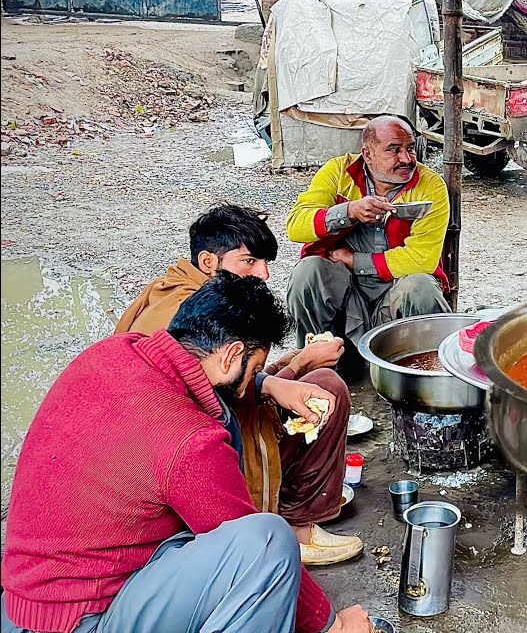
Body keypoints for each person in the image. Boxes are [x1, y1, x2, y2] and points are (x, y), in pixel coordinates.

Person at [1, 274, 372, 633]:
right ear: (231, 355)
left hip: (23, 602)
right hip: (80, 618)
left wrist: (267, 382)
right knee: (268, 540)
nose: (248, 385)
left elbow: (210, 385)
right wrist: (331, 623)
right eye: (254, 367)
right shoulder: (188, 438)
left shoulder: (114, 352)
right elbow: (249, 544)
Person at [115, 203, 360, 566]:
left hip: (181, 447)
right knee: (327, 388)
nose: (262, 274)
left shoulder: (194, 292)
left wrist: (284, 371)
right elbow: (221, 401)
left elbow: (229, 379)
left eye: (265, 263)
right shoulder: (179, 310)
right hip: (179, 470)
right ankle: (288, 531)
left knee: (321, 382)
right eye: (249, 261)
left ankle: (292, 522)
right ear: (209, 262)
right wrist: (296, 367)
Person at [286, 115, 450, 349]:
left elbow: (423, 259)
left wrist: (355, 260)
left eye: (410, 149)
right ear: (368, 154)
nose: (406, 159)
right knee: (307, 272)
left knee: (421, 288)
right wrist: (348, 211)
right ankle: (317, 364)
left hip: (395, 291)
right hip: (346, 290)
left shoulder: (430, 186)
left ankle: (417, 373)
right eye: (393, 150)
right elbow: (296, 225)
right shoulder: (338, 172)